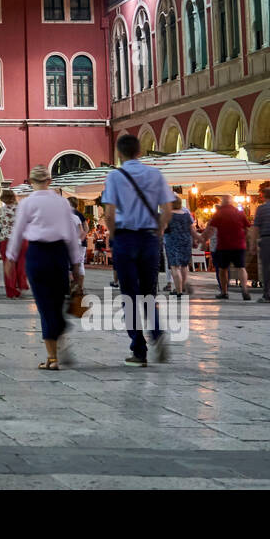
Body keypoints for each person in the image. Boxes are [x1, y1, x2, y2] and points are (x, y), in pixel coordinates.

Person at [101, 134, 173, 366]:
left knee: (129, 297)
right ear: (139, 151)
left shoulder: (114, 176)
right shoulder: (155, 174)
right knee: (149, 294)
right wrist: (159, 230)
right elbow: (168, 209)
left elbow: (109, 213)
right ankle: (157, 333)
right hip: (149, 238)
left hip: (125, 238)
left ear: (119, 154)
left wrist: (113, 236)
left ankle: (139, 351)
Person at [9, 165, 83, 370]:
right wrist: (76, 264)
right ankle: (59, 334)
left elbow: (17, 232)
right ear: (49, 181)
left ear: (31, 181)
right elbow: (71, 235)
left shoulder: (27, 203)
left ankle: (52, 357)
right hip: (59, 255)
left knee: (44, 305)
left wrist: (10, 258)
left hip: (37, 255)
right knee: (57, 303)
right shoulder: (62, 203)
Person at [204, 195, 252, 300]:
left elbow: (210, 229)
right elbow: (247, 228)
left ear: (223, 202)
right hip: (239, 245)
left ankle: (224, 292)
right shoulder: (239, 212)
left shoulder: (219, 213)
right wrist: (247, 241)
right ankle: (244, 290)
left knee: (223, 269)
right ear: (231, 202)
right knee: (241, 268)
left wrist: (203, 239)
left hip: (224, 245)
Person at [0, 188, 27, 298]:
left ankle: (11, 291)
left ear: (3, 198)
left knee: (9, 265)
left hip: (6, 239)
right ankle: (21, 285)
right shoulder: (21, 209)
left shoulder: (1, 211)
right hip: (22, 239)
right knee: (21, 263)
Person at [163, 196, 194, 296]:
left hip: (173, 242)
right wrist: (197, 239)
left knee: (175, 267)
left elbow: (163, 229)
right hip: (186, 242)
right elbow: (192, 229)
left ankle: (179, 290)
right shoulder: (186, 215)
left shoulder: (168, 215)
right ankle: (183, 287)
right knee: (184, 266)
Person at [66, 196, 88, 294]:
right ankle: (80, 287)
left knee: (69, 264)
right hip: (81, 243)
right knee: (80, 264)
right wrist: (81, 238)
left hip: (71, 242)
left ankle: (72, 286)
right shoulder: (80, 215)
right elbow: (86, 229)